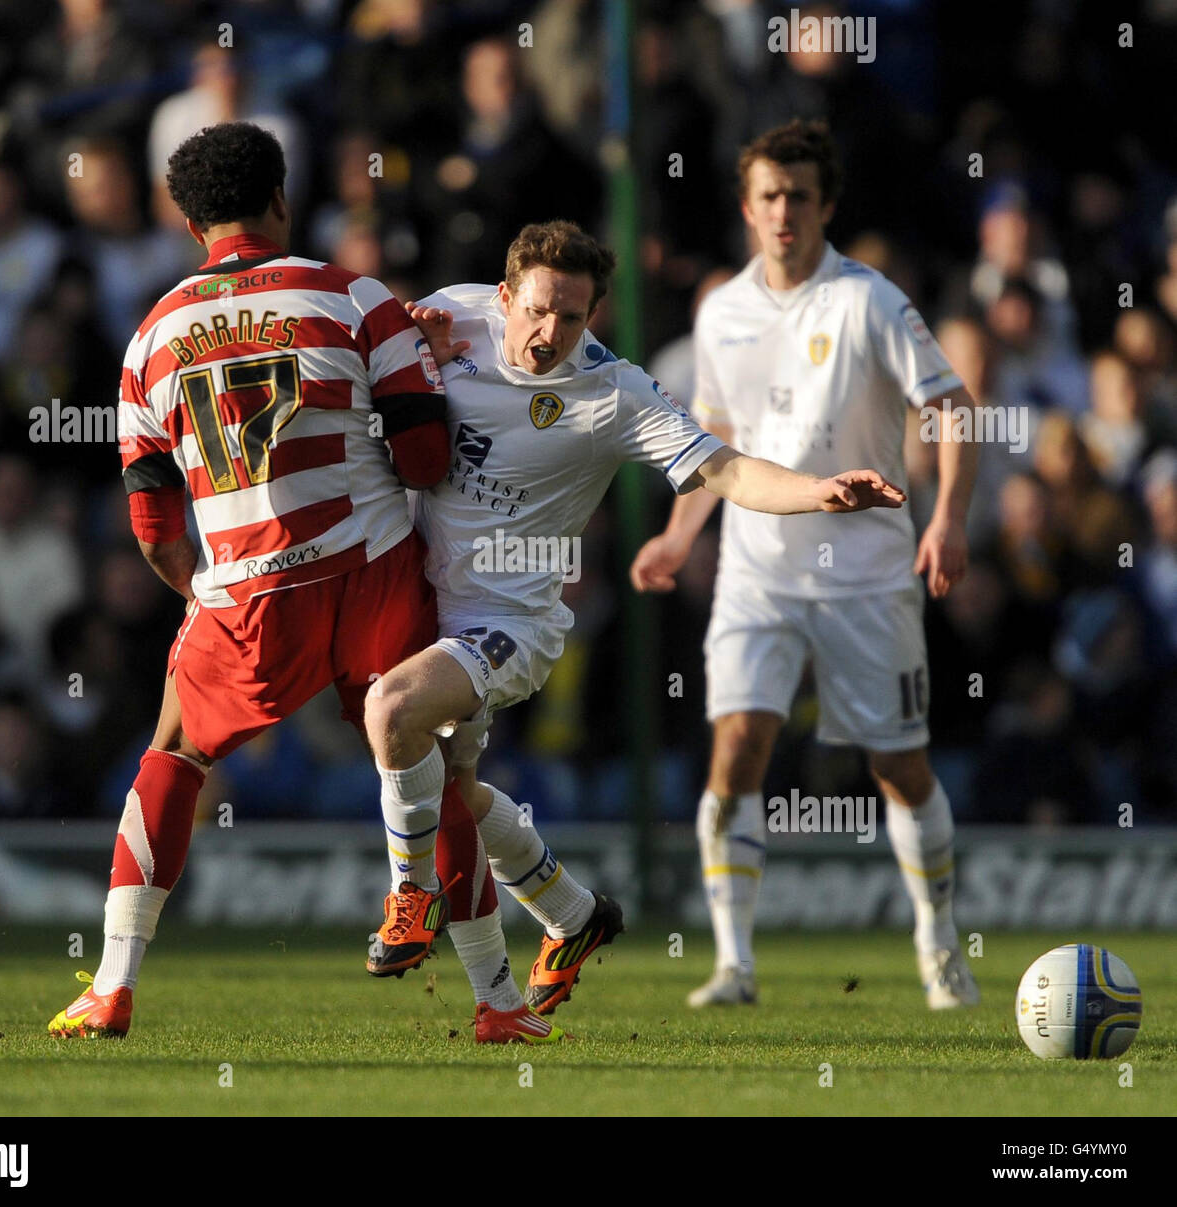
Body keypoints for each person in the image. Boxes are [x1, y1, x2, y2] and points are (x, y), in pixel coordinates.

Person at [368, 219, 906, 1041]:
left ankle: (411, 899)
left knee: (392, 710)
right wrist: (413, 355)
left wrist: (819, 491)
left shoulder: (616, 394)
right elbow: (380, 404)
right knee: (457, 797)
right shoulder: (451, 318)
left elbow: (723, 467)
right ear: (505, 296)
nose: (553, 333)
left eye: (575, 318)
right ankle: (571, 917)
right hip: (422, 602)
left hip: (509, 624)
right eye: (541, 310)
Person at [48, 122, 451, 1038]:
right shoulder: (355, 299)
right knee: (437, 748)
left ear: (189, 224)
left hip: (244, 594)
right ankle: (483, 981)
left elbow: (152, 531)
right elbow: (426, 460)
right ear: (282, 199)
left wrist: (204, 587)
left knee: (174, 754)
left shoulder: (149, 341)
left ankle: (112, 983)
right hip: (372, 569)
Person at [630, 119, 983, 1010]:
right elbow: (717, 448)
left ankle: (938, 941)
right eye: (768, 196)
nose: (783, 210)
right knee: (736, 746)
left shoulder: (869, 301)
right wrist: (680, 536)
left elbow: (954, 404)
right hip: (758, 568)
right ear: (747, 209)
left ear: (824, 205)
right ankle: (734, 962)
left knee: (899, 766)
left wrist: (947, 519)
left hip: (868, 573)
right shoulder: (722, 312)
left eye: (798, 195)